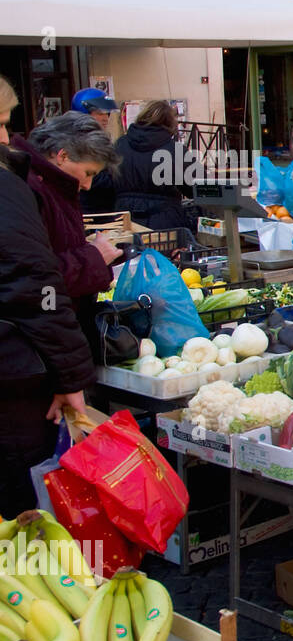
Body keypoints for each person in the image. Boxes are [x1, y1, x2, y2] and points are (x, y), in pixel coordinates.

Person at [0, 78, 96, 512]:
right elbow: (35, 284)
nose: (6, 137)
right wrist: (70, 378)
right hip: (14, 376)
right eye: (0, 124)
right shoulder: (10, 188)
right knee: (21, 512)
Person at [8, 112, 122, 352]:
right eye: (89, 173)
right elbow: (40, 281)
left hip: (54, 330)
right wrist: (95, 256)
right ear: (62, 155)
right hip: (45, 337)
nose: (88, 185)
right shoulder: (32, 192)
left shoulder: (53, 188)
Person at [111, 100, 190, 231]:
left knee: (126, 250)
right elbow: (196, 187)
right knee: (162, 250)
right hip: (164, 221)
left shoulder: (120, 144)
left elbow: (108, 179)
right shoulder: (175, 150)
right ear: (170, 123)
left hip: (124, 220)